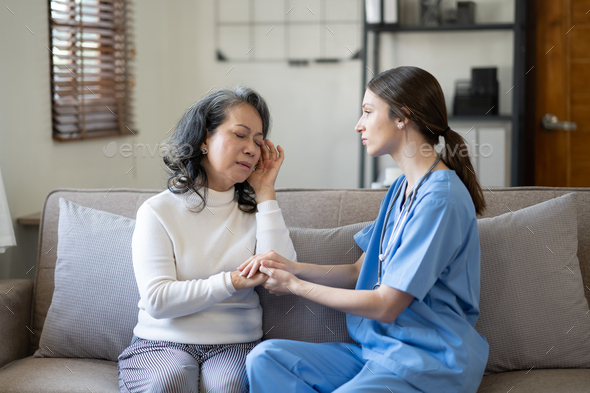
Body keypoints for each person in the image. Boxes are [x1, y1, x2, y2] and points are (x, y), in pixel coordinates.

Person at [240, 66, 489, 392]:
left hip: (428, 363)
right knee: (267, 358)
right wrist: (294, 268)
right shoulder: (401, 188)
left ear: (403, 117)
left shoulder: (440, 200)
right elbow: (361, 270)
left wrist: (295, 286)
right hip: (380, 352)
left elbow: (386, 305)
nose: (359, 125)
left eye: (368, 112)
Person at [117, 86, 297, 393]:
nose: (252, 149)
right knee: (169, 379)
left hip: (235, 343)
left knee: (227, 385)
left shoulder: (258, 213)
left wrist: (266, 191)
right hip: (162, 341)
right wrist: (231, 282)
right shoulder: (158, 211)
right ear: (204, 139)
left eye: (257, 140)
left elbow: (283, 275)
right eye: (240, 135)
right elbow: (158, 300)